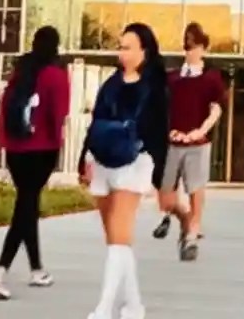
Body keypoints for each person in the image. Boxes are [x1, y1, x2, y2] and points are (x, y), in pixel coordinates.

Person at [79, 23, 170, 319]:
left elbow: (160, 134)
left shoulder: (155, 86)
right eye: (120, 46)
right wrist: (84, 160)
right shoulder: (111, 82)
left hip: (136, 162)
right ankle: (134, 305)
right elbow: (95, 122)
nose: (122, 52)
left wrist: (163, 182)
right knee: (117, 242)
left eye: (128, 46)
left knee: (119, 237)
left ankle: (104, 309)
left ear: (144, 50)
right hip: (103, 161)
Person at [0, 25, 71, 300]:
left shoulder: (20, 71)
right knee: (25, 207)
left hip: (16, 150)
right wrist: (58, 144)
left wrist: (5, 143)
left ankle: (37, 269)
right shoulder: (56, 75)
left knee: (27, 203)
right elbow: (60, 113)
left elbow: (5, 107)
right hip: (42, 148)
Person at [153, 22, 225, 261]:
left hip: (197, 144)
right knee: (165, 197)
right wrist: (167, 130)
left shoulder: (211, 79)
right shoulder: (172, 78)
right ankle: (183, 220)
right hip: (173, 143)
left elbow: (216, 111)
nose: (190, 51)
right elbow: (161, 109)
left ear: (203, 48)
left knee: (195, 191)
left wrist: (199, 131)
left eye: (194, 46)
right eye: (186, 46)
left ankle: (192, 236)